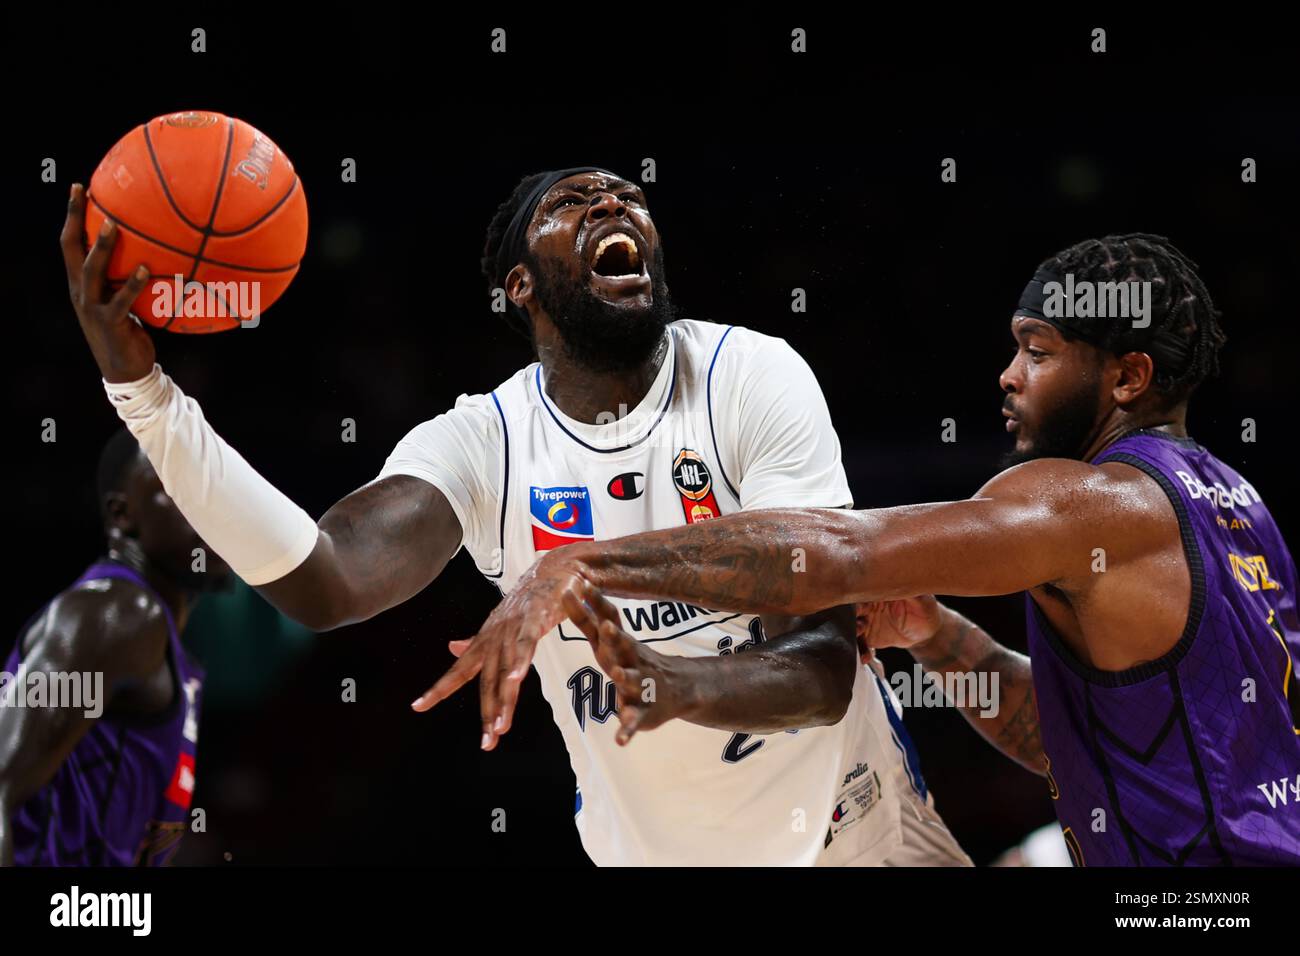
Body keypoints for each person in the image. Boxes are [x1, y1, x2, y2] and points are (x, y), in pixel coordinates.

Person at [61, 169, 969, 866]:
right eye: (573, 202)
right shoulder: (484, 444)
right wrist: (143, 393)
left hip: (858, 833)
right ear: (521, 286)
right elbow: (322, 582)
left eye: (629, 196)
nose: (613, 204)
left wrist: (671, 682)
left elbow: (821, 670)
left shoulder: (749, 375)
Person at [444, 234, 1300, 866]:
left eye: (1038, 352)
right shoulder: (1236, 503)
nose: (1008, 375)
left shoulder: (1087, 503)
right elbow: (1076, 745)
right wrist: (937, 635)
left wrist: (583, 561)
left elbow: (835, 555)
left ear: (1128, 378)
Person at [0, 429, 231, 865]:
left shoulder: (159, 645)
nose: (209, 507)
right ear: (122, 515)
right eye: (180, 487)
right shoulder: (117, 614)